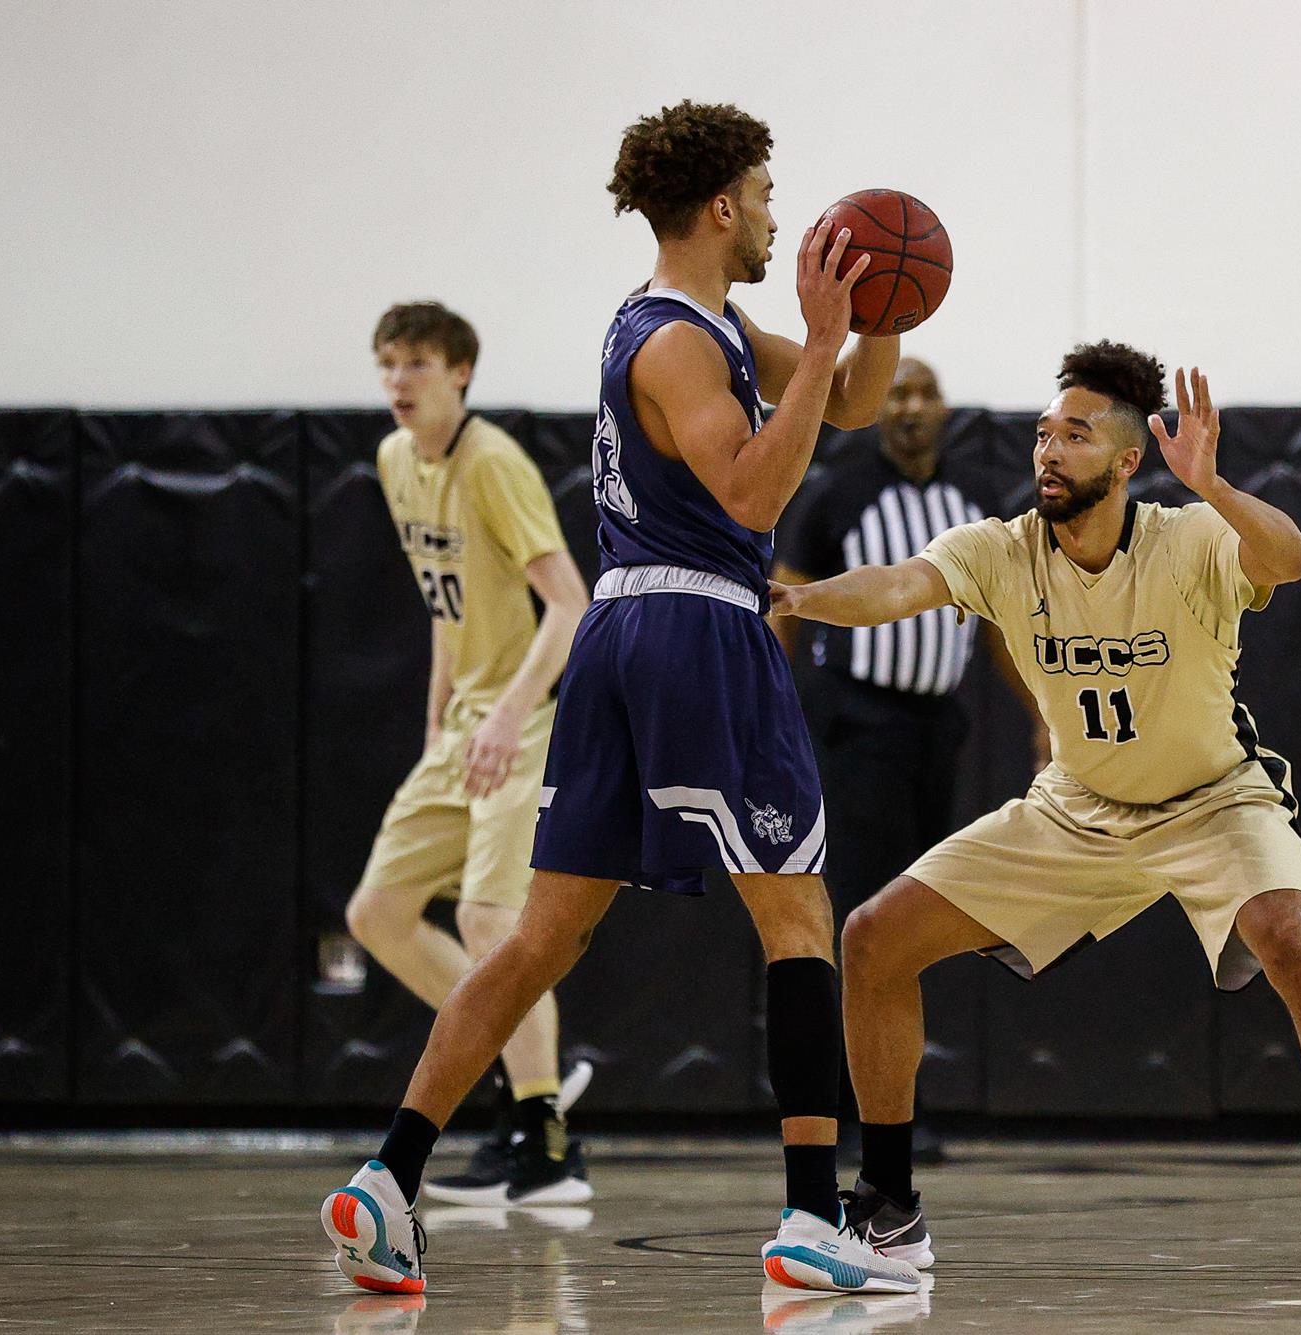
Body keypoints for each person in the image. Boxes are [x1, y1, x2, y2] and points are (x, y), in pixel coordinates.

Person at [322, 103, 922, 1297]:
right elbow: (754, 494)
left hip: (620, 636)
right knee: (798, 921)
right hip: (697, 622)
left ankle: (387, 1181)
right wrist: (814, 330)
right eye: (760, 193)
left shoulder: (713, 326)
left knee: (545, 935)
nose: (769, 213)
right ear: (716, 207)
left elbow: (846, 402)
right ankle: (812, 1219)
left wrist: (877, 322)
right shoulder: (673, 343)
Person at [771, 342, 1301, 1283]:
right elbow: (896, 585)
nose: (1050, 451)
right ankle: (890, 1204)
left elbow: (1293, 556)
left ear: (1128, 460)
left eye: (1076, 436)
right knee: (875, 935)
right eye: (1044, 433)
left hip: (1213, 800)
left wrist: (1214, 485)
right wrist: (797, 598)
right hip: (1077, 809)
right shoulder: (1002, 549)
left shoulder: (1188, 538)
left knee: (1290, 935)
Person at [346, 301, 594, 1209]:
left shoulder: (494, 462)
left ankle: (545, 1141)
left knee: (494, 923)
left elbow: (570, 604)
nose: (397, 382)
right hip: (464, 723)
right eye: (386, 364)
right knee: (379, 912)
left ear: (461, 374)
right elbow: (443, 605)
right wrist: (439, 718)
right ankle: (518, 1064)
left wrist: (503, 718)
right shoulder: (392, 460)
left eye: (415, 364)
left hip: (523, 718)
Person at [771, 358, 1034, 1162]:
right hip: (858, 725)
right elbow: (783, 602)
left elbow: (995, 624)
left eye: (924, 394)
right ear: (878, 411)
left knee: (916, 921)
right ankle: (855, 1113)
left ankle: (896, 1108)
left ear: (946, 410)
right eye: (897, 394)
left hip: (936, 729)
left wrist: (1041, 716)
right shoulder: (837, 493)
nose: (911, 408)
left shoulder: (975, 502)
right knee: (866, 914)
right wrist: (772, 710)